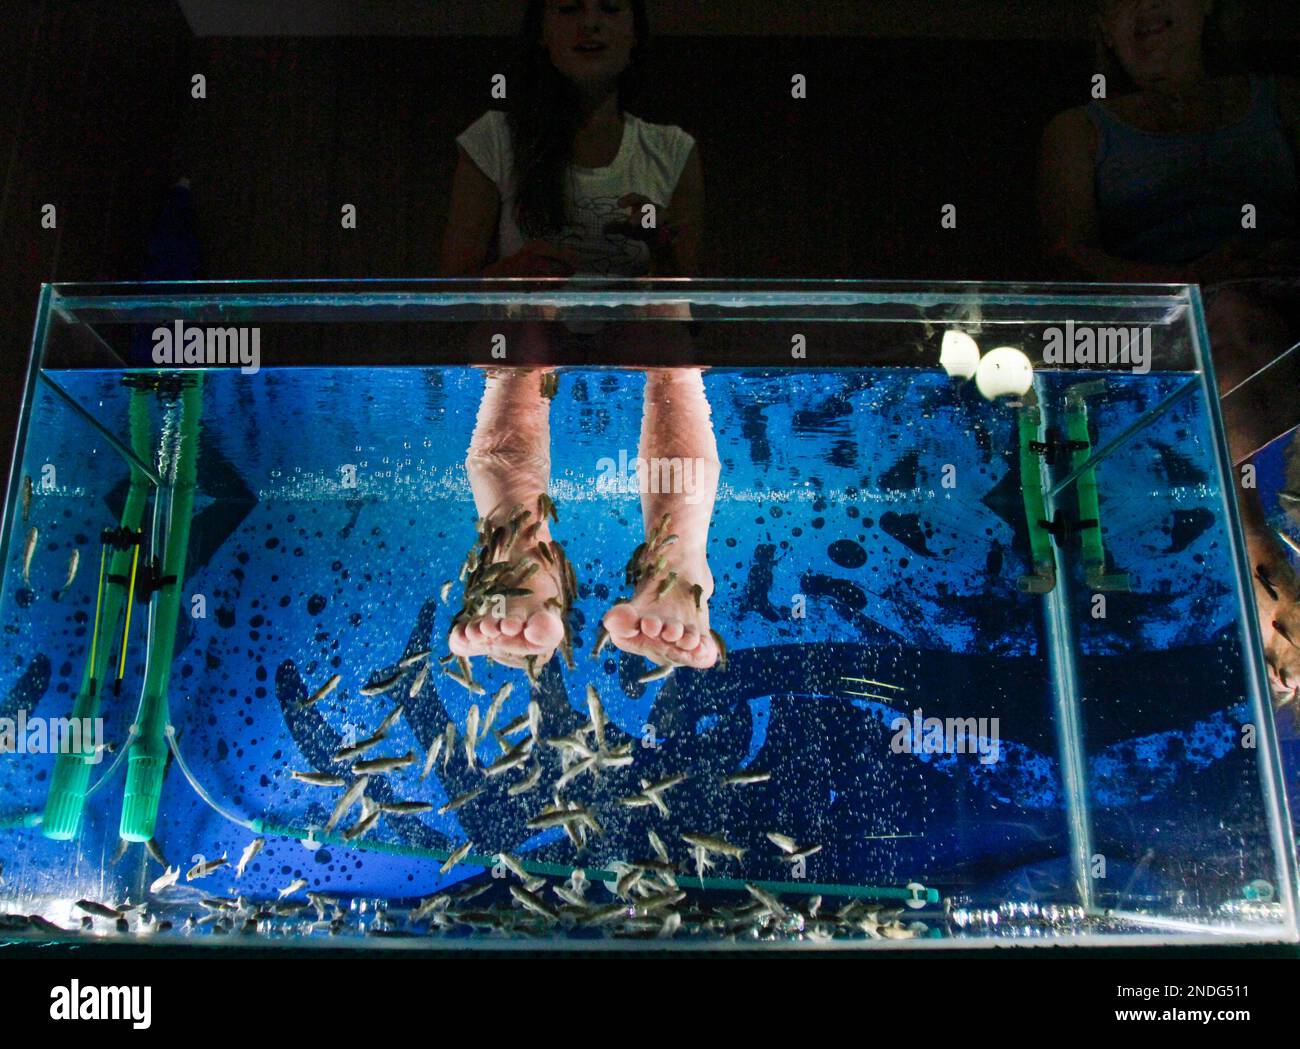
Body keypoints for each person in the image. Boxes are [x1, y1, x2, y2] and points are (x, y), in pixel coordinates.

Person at [437, 0, 720, 676]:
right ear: (541, 30)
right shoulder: (494, 139)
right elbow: (450, 284)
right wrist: (512, 273)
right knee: (526, 342)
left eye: (608, 8)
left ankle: (679, 564)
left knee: (668, 333)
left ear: (634, 32)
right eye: (568, 7)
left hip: (643, 338)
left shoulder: (671, 150)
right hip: (525, 338)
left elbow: (688, 284)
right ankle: (516, 559)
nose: (589, 24)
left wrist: (654, 239)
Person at [1037, 0, 1300, 704]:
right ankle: (1263, 562)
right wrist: (1188, 279)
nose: (1144, 10)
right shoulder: (1080, 130)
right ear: (1102, 25)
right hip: (1158, 323)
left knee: (1248, 322)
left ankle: (1265, 577)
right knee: (1227, 325)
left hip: (1287, 298)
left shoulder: (1281, 101)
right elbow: (1066, 255)